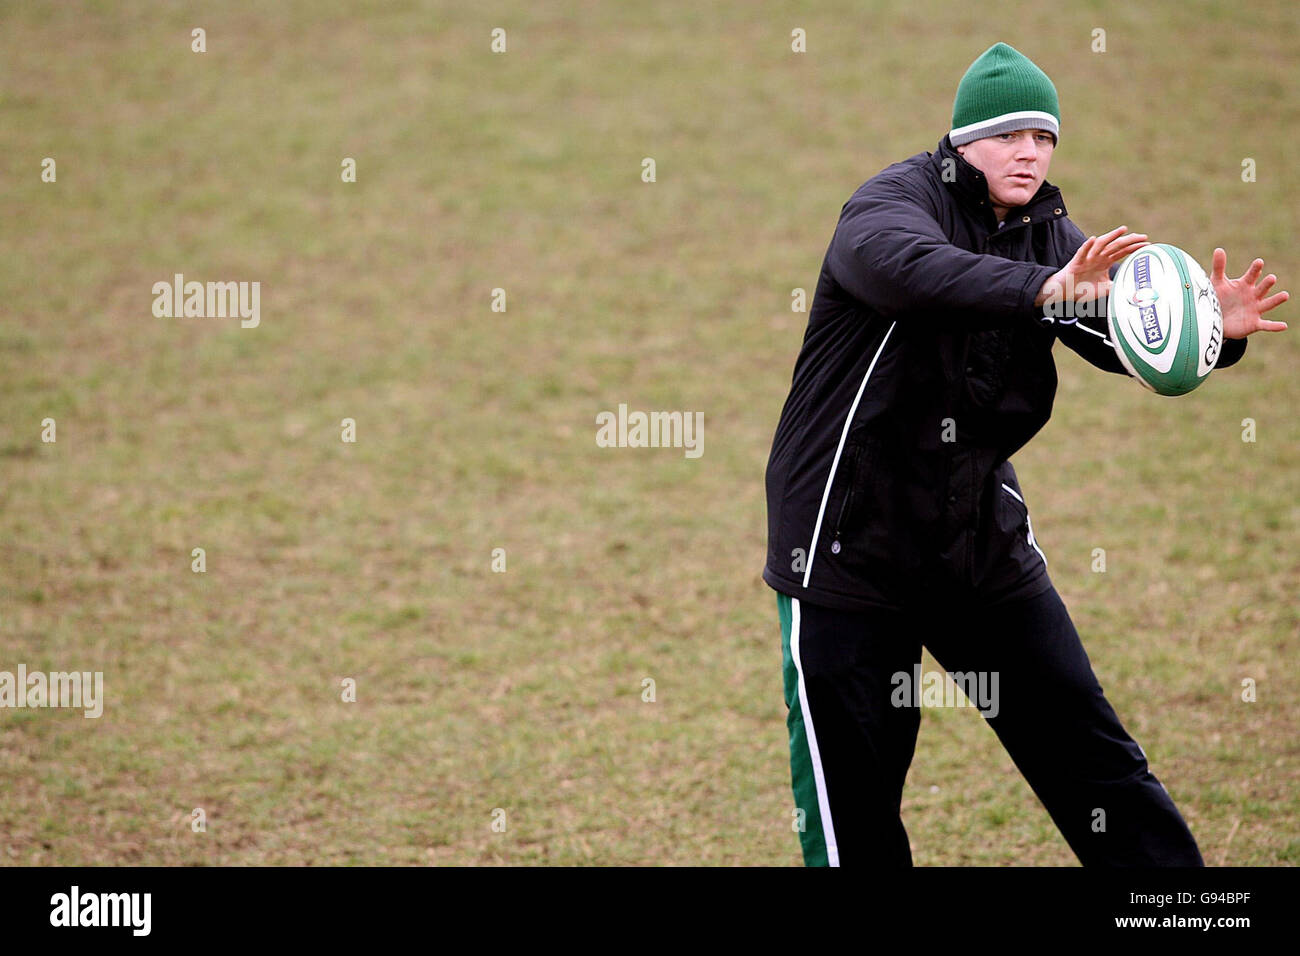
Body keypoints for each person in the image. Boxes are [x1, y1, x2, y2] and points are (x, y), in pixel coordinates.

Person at [762, 41, 1289, 866]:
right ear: (964, 140)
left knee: (1095, 760)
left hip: (975, 545)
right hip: (846, 550)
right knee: (855, 812)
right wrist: (1045, 290)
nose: (1029, 154)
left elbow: (1115, 328)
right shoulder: (888, 207)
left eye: (1043, 139)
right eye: (1009, 136)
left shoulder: (1050, 235)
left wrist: (1208, 330)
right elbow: (915, 273)